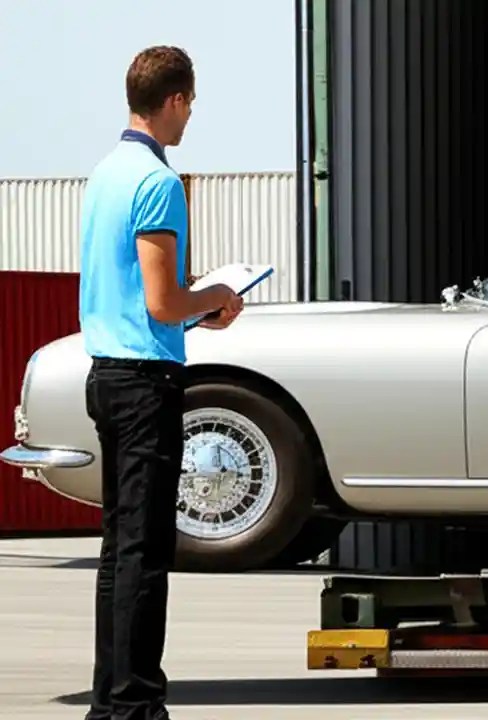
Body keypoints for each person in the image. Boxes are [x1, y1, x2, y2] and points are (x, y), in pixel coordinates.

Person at [78, 45, 243, 720]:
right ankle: (136, 705)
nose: (190, 116)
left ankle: (108, 701)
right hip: (145, 381)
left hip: (105, 372)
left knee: (119, 549)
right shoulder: (156, 182)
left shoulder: (104, 173)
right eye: (190, 104)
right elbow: (161, 303)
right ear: (173, 100)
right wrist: (218, 296)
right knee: (145, 553)